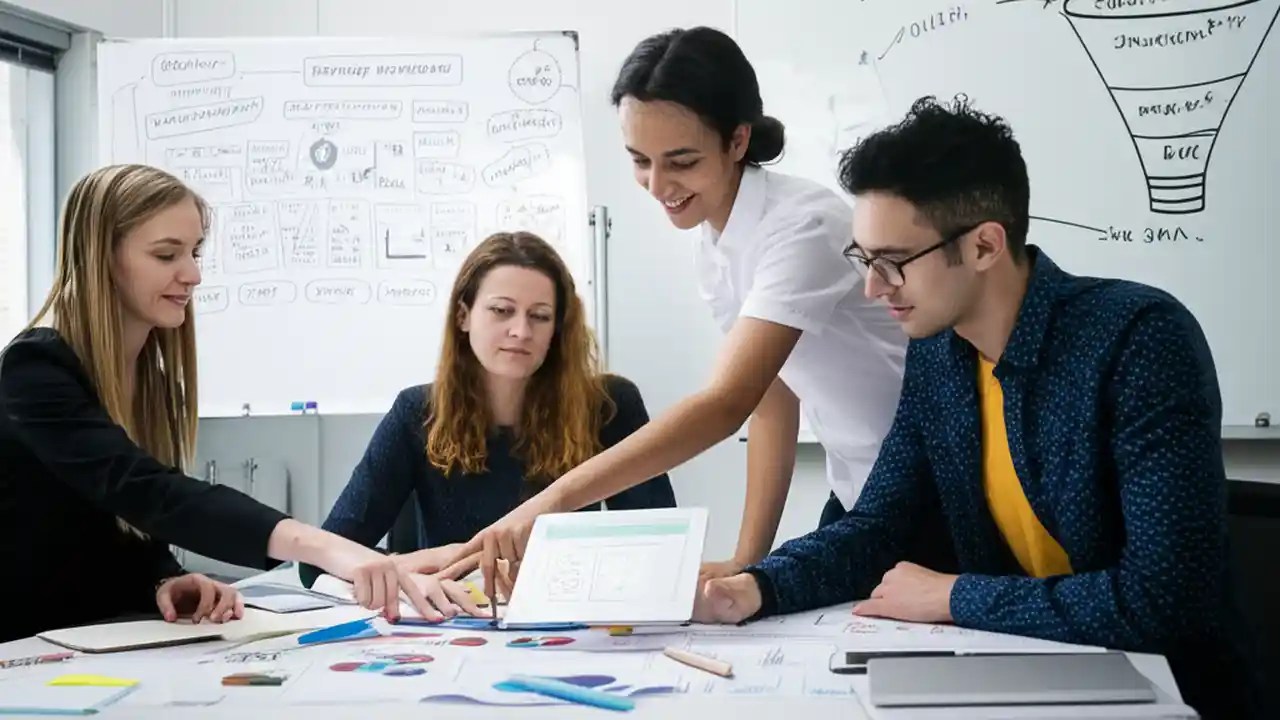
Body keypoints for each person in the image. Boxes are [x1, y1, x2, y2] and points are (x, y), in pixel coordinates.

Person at [690, 96, 1269, 720]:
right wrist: (754, 587)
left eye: (894, 262)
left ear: (985, 246)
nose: (872, 287)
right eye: (864, 258)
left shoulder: (1140, 340)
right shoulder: (940, 356)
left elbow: (1163, 599)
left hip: (1170, 693)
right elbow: (879, 524)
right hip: (1030, 677)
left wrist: (955, 596)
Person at [437, 26, 908, 593]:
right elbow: (770, 399)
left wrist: (554, 499)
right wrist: (747, 555)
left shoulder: (800, 227)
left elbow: (727, 403)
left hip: (921, 481)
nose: (658, 185)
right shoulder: (716, 244)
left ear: (737, 141)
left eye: (681, 161)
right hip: (860, 485)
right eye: (641, 160)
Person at [0, 164, 478, 644]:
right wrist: (327, 549)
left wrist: (163, 579)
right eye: (167, 255)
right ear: (101, 257)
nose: (193, 274)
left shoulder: (149, 379)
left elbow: (122, 523)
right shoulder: (33, 370)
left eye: (195, 251)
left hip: (96, 643)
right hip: (25, 647)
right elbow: (143, 490)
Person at [300, 231, 675, 588]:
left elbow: (661, 547)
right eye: (501, 311)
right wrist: (430, 562)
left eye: (540, 316)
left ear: (558, 328)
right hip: (449, 626)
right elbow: (318, 563)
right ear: (463, 315)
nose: (521, 331)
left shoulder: (610, 406)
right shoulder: (416, 412)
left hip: (566, 621)